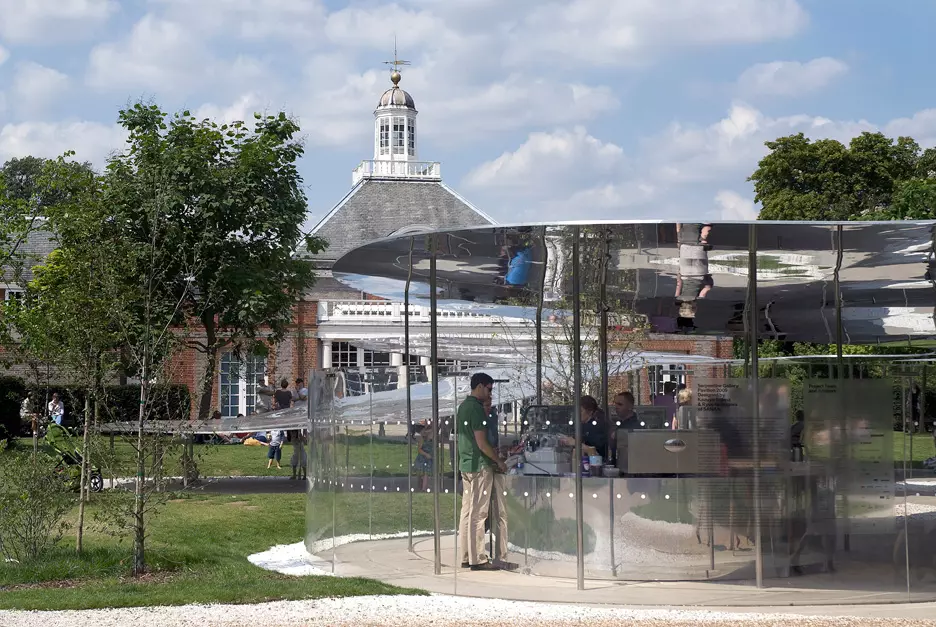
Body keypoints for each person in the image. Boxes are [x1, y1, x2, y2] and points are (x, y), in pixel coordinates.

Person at [457, 372, 505, 571]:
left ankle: (467, 555)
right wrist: (498, 461)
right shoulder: (476, 409)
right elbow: (482, 442)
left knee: (467, 512)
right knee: (479, 513)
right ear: (479, 387)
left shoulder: (463, 407)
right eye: (489, 389)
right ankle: (479, 559)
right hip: (480, 467)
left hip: (466, 464)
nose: (490, 393)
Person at [560, 395, 609, 459]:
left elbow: (595, 452)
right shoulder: (581, 426)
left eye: (580, 411)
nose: (577, 414)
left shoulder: (597, 427)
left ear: (590, 411)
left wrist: (575, 443)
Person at [412, 424, 434, 491]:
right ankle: (423, 487)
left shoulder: (431, 441)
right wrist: (426, 454)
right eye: (431, 434)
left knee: (426, 474)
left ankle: (424, 486)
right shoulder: (422, 440)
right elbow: (419, 450)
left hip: (428, 459)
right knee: (423, 474)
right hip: (423, 459)